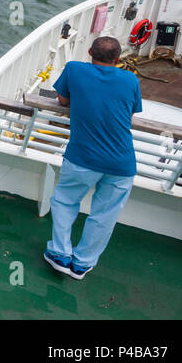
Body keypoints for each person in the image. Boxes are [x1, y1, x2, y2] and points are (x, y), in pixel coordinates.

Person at [44, 35, 142, 279]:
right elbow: (130, 111)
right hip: (121, 162)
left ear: (89, 51)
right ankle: (82, 264)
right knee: (104, 216)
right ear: (118, 59)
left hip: (82, 157)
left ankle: (60, 254)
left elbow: (63, 99)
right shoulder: (130, 79)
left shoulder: (74, 69)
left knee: (66, 201)